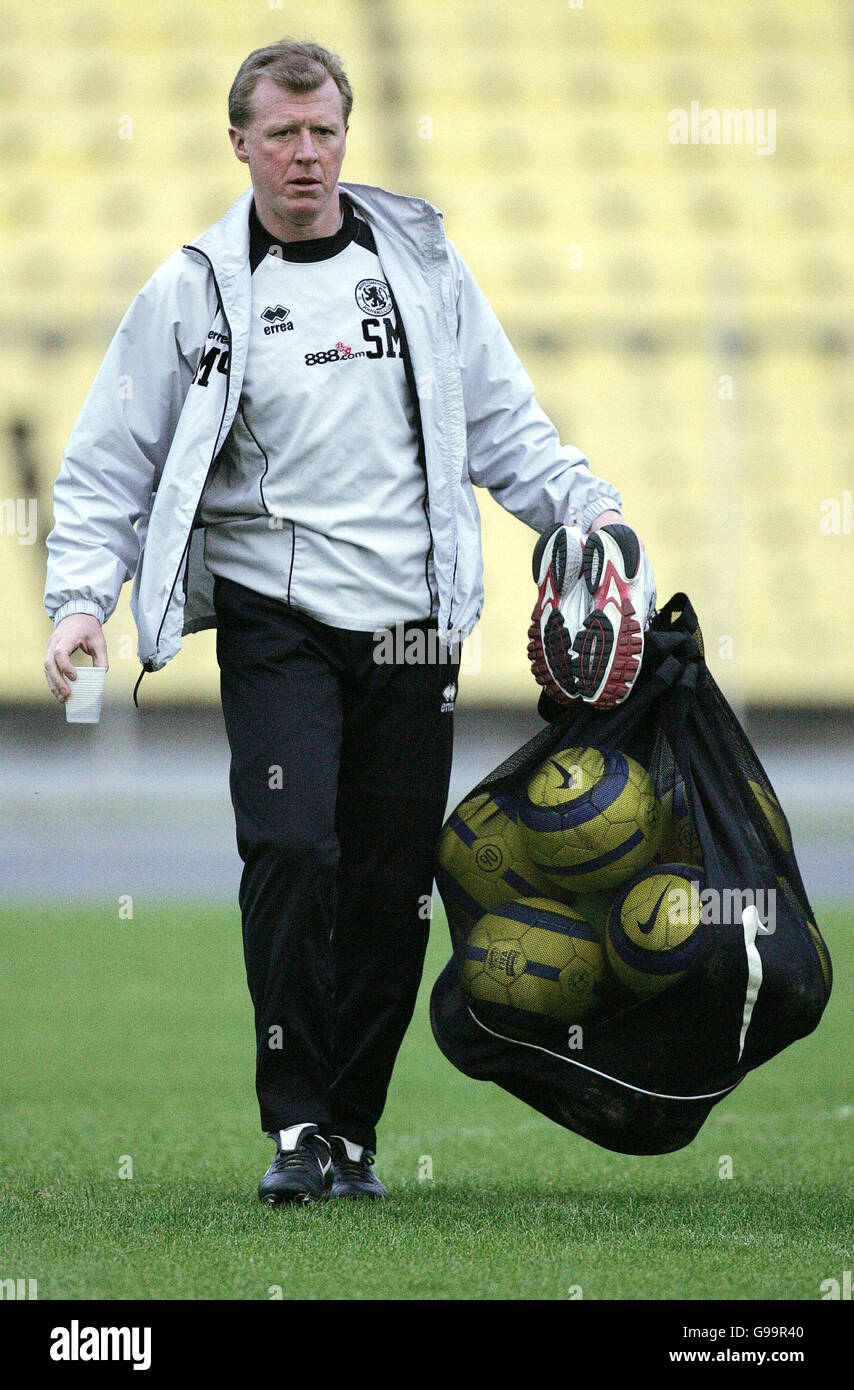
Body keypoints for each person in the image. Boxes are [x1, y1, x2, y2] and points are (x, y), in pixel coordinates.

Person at [43, 39, 654, 1204]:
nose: (305, 155)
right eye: (281, 133)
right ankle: (294, 1122)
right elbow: (106, 461)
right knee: (289, 849)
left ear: (345, 137)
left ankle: (351, 1134)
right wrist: (83, 600)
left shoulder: (418, 271)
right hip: (279, 618)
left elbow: (503, 426)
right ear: (239, 143)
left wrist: (583, 504)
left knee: (387, 883)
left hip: (414, 624)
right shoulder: (195, 289)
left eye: (323, 132)